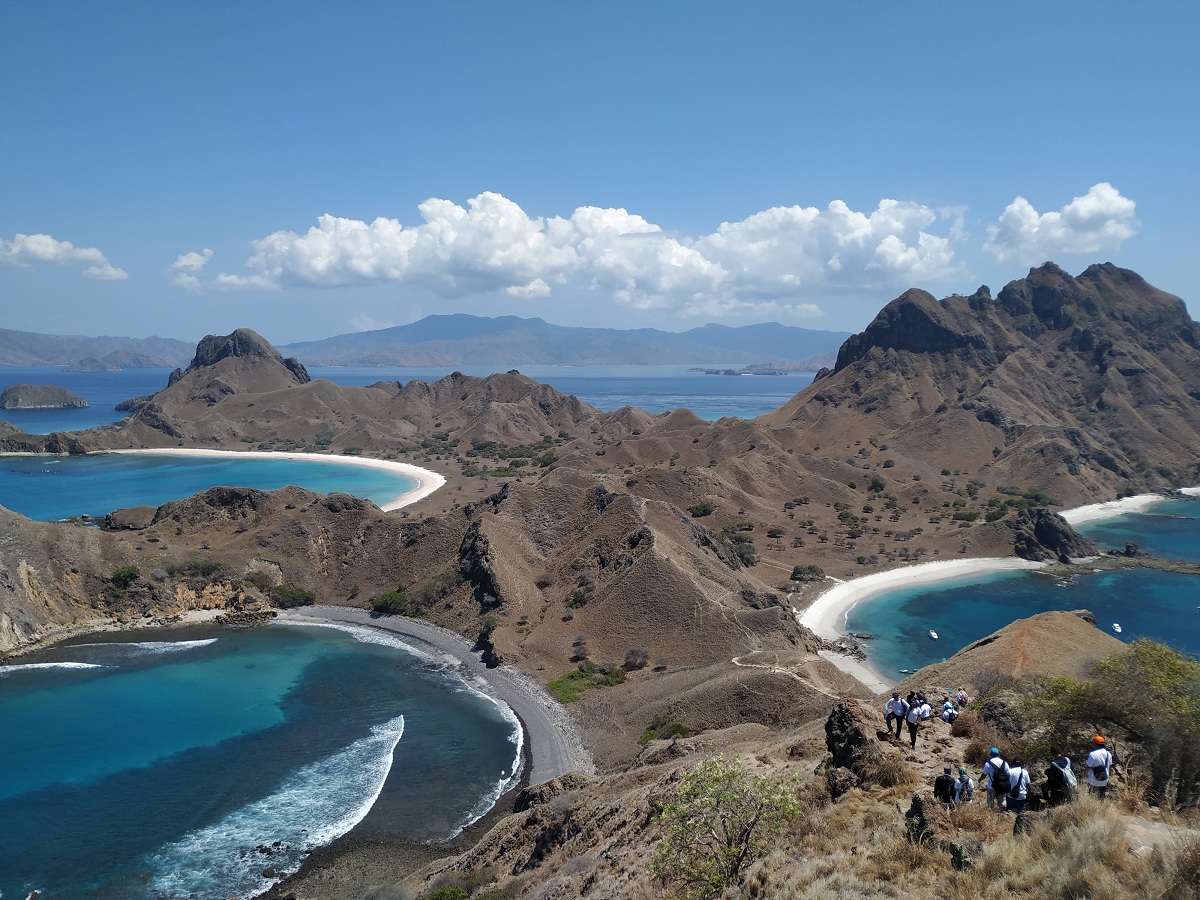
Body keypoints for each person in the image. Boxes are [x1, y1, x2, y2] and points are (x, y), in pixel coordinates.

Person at [1087, 735, 1115, 800]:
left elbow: (1088, 767)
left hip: (1093, 780)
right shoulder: (1108, 754)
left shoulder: (1092, 754)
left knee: (1092, 798)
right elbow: (1110, 766)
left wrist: (1084, 774)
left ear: (1094, 743)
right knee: (1102, 797)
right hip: (1104, 779)